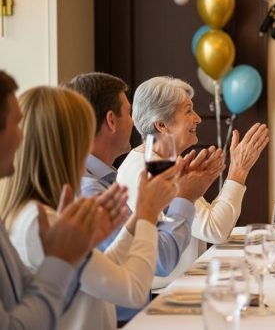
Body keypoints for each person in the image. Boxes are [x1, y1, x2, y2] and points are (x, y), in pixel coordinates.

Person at [0, 86, 179, 330]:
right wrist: (148, 213)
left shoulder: (33, 212)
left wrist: (137, 218)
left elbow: (101, 271)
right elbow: (134, 291)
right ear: (70, 143)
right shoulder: (42, 220)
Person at [66, 72, 201, 323]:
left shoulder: (105, 181)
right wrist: (186, 197)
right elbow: (161, 260)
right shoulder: (90, 192)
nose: (136, 123)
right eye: (128, 113)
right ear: (111, 120)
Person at [116, 76, 269, 288]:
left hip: (181, 285)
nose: (197, 118)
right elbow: (215, 229)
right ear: (162, 125)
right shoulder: (152, 170)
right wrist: (238, 171)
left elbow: (209, 225)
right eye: (188, 110)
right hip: (164, 295)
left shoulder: (159, 161)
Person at [0, 71, 108, 330]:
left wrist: (70, 255)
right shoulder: (36, 218)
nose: (22, 137)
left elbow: (30, 296)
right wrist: (60, 260)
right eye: (16, 124)